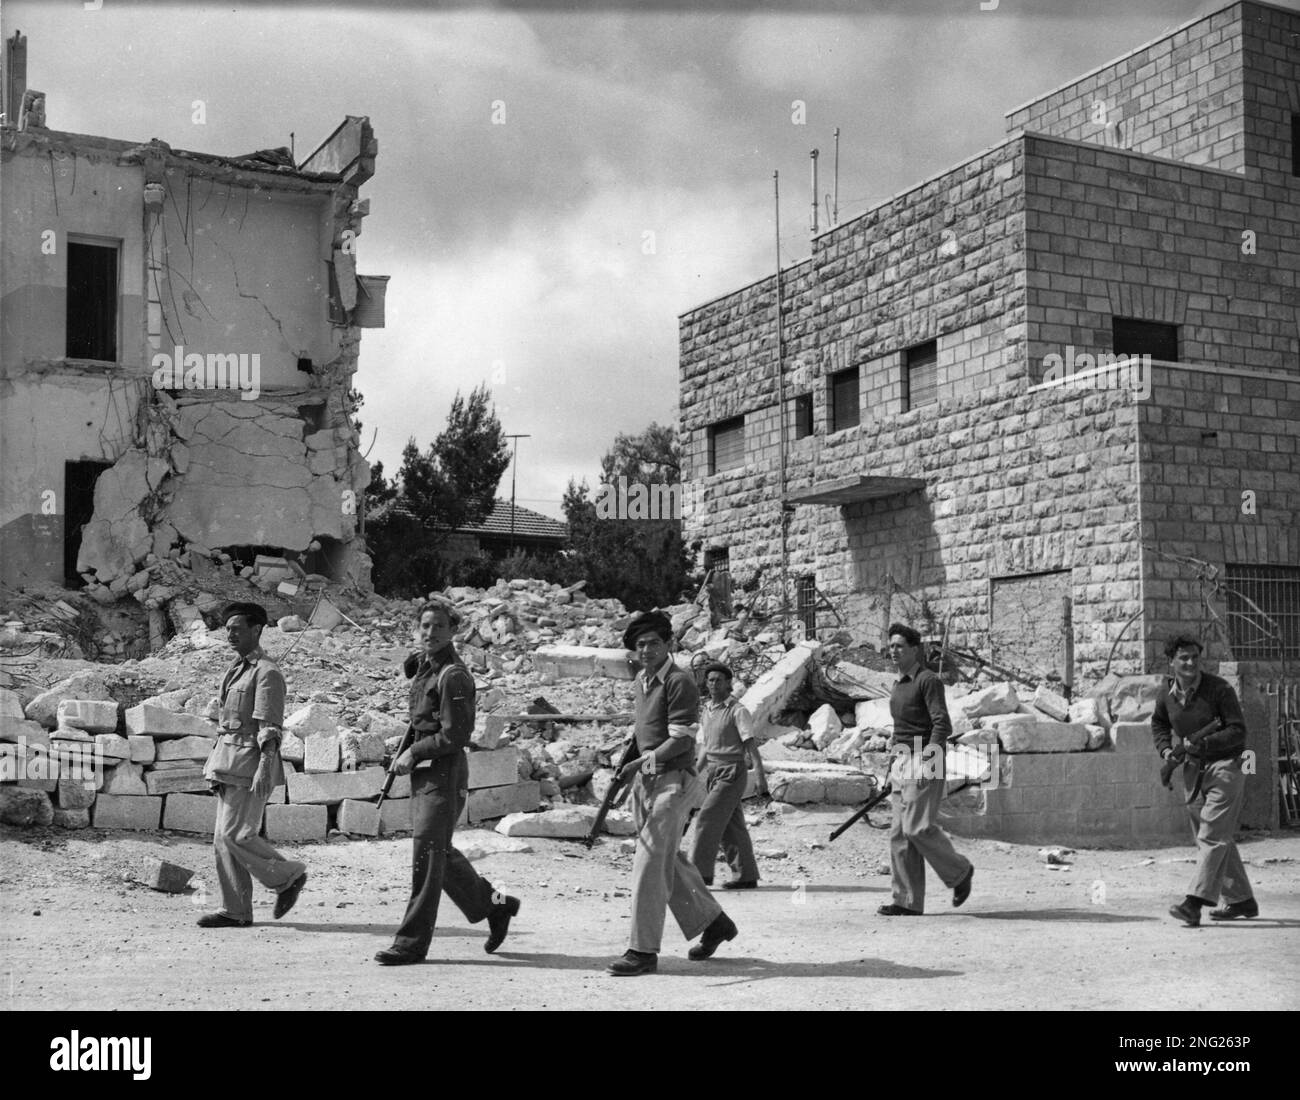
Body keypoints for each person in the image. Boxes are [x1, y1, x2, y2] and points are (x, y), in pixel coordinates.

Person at [374, 598, 521, 964]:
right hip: (425, 775)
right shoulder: (428, 666)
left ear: (453, 630)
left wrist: (415, 752)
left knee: (426, 856)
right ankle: (497, 906)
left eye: (439, 626)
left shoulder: (453, 675)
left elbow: (455, 736)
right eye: (425, 626)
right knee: (437, 852)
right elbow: (423, 719)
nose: (430, 632)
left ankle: (410, 944)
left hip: (444, 773)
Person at [607, 611, 738, 976]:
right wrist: (627, 767)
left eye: (653, 643)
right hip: (646, 781)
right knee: (668, 860)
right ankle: (714, 923)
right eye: (640, 644)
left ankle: (642, 951)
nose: (646, 650)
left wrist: (640, 763)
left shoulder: (679, 682)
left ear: (669, 645)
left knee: (649, 864)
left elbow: (680, 738)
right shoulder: (642, 680)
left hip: (675, 781)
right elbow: (642, 734)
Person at [198, 602, 307, 928]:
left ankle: (288, 875)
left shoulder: (267, 672)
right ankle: (236, 910)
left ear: (257, 630)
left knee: (237, 835)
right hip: (228, 760)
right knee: (223, 839)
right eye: (227, 629)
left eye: (237, 629)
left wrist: (265, 766)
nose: (230, 634)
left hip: (249, 763)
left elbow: (269, 726)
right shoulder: (239, 668)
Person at [1151, 635, 1257, 926]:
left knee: (1212, 835)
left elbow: (1238, 731)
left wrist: (1205, 744)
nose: (1190, 663)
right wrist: (1167, 751)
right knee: (1211, 837)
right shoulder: (1166, 695)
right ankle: (1241, 900)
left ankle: (1193, 903)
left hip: (1229, 765)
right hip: (1192, 769)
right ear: (1171, 661)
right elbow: (1159, 723)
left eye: (1195, 657)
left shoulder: (1219, 689)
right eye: (1183, 658)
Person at [877, 622, 974, 917]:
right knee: (898, 834)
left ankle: (960, 872)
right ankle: (905, 901)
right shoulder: (898, 685)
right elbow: (899, 730)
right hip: (903, 760)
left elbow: (941, 723)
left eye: (900, 647)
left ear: (914, 650)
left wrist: (928, 760)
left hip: (924, 759)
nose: (894, 651)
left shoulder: (928, 680)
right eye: (891, 646)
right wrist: (891, 767)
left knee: (916, 828)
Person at [686, 662, 766, 889]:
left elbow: (750, 746)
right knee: (733, 825)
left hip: (732, 772)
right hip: (713, 771)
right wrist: (694, 775)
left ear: (729, 683)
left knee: (707, 818)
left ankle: (700, 875)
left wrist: (760, 776)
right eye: (710, 680)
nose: (713, 684)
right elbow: (706, 748)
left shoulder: (738, 710)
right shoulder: (708, 710)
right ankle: (746, 876)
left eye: (718, 680)